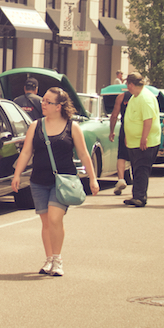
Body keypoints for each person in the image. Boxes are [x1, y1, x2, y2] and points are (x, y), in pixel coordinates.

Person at [11, 87, 98, 277]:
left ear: (58, 106)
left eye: (47, 102)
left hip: (63, 181)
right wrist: (17, 175)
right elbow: (26, 152)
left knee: (54, 218)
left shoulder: (72, 127)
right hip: (39, 180)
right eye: (43, 101)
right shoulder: (36, 125)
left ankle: (58, 260)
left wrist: (92, 178)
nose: (43, 104)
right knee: (46, 222)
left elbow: (83, 154)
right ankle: (49, 258)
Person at [119, 72, 160, 207]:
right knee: (136, 169)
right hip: (133, 141)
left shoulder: (145, 97)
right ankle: (137, 194)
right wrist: (127, 136)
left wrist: (144, 137)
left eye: (127, 84)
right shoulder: (134, 97)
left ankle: (140, 197)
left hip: (145, 142)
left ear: (131, 84)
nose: (127, 87)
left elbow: (148, 119)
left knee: (142, 168)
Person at [108, 84, 133, 195]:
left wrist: (112, 131)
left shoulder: (122, 97)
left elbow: (114, 115)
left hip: (125, 127)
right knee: (136, 155)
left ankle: (121, 179)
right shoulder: (143, 96)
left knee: (122, 156)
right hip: (138, 128)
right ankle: (137, 181)